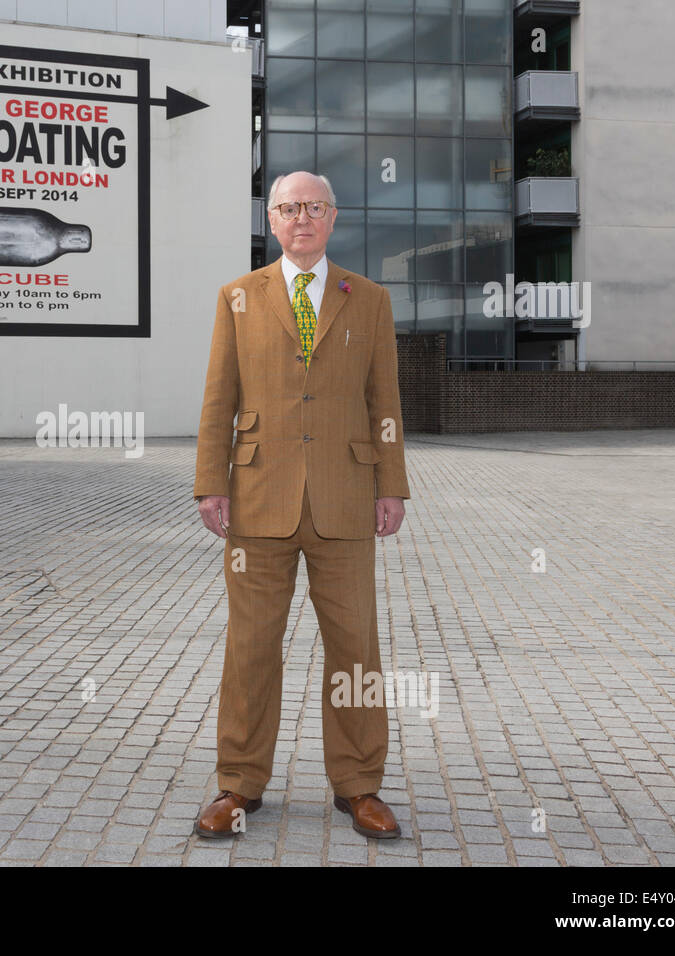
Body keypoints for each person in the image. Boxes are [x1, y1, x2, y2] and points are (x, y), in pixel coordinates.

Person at [192, 170, 411, 840]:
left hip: (346, 498)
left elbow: (385, 403)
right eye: (290, 208)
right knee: (251, 648)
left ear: (334, 218)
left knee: (355, 649)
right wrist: (211, 481)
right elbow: (218, 400)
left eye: (315, 208)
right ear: (272, 218)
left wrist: (392, 484)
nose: (303, 219)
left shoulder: (368, 299)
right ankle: (239, 785)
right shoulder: (237, 297)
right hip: (257, 501)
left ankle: (360, 787)